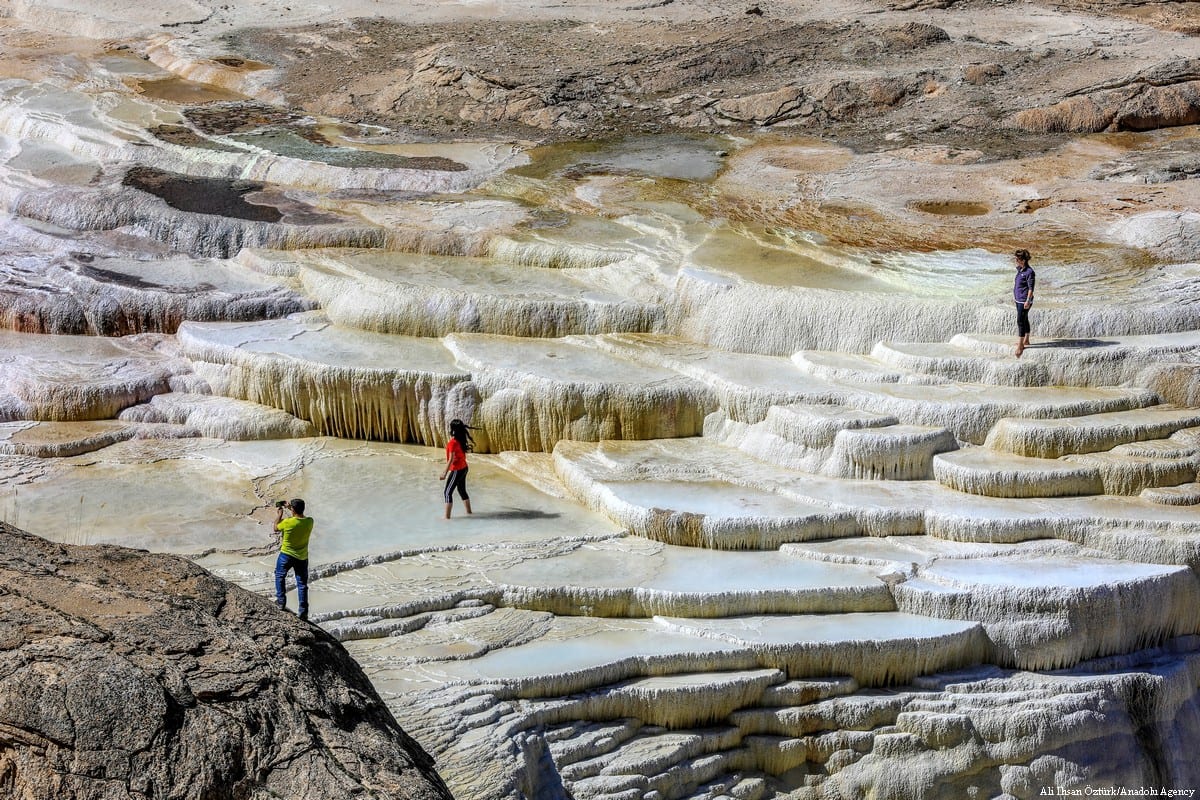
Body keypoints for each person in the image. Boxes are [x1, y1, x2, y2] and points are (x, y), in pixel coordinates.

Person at [274, 498, 313, 621]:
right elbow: (300, 516)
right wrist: (291, 507)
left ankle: (281, 602)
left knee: (280, 576)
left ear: (293, 510)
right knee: (302, 584)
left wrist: (279, 515)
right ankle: (303, 611)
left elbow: (275, 528)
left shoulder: (287, 522)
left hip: (286, 554)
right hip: (302, 557)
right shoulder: (309, 522)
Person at [440, 419, 474, 519]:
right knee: (462, 490)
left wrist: (444, 473)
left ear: (452, 429)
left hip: (457, 470)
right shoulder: (461, 439)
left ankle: (446, 518)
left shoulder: (453, 442)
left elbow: (450, 460)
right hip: (464, 468)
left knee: (447, 492)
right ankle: (469, 513)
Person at [1013, 248, 1036, 358]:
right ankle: (1026, 340)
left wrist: (1027, 301)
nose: (1015, 260)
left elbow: (1031, 288)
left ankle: (1021, 345)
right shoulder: (1020, 269)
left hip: (1024, 301)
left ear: (1023, 260)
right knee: (1025, 319)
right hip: (1018, 299)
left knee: (1020, 321)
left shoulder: (1029, 272)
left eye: (1017, 259)